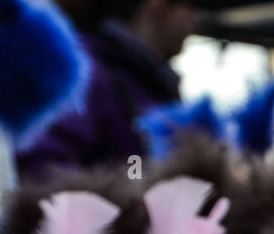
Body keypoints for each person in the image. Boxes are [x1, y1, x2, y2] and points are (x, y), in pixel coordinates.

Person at [16, 0, 199, 181]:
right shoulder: (86, 72)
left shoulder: (145, 81)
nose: (195, 18)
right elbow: (42, 168)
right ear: (158, 5)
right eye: (192, 6)